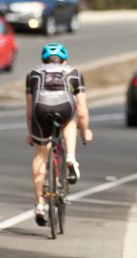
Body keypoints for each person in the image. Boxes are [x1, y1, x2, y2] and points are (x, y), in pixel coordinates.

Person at [25, 42, 92, 226]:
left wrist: (31, 133)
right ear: (65, 60)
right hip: (65, 107)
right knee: (70, 121)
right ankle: (70, 157)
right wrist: (85, 132)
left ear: (43, 60)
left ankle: (40, 204)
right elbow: (82, 111)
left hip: (41, 109)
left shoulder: (33, 73)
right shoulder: (74, 72)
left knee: (40, 156)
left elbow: (30, 108)